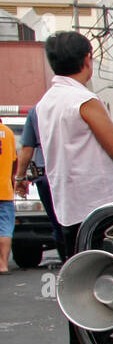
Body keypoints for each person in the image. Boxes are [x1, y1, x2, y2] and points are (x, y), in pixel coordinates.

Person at [34, 31, 113, 344]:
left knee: (75, 272)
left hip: (64, 198)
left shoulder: (45, 102)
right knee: (101, 270)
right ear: (87, 59)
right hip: (96, 200)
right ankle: (100, 343)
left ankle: (81, 342)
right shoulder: (84, 101)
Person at [15, 109, 66, 261]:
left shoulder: (37, 110)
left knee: (58, 225)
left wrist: (20, 178)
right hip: (73, 174)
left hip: (45, 176)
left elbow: (27, 148)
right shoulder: (80, 103)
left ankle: (68, 261)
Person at [0, 122, 14, 273]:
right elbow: (13, 160)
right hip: (4, 189)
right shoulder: (8, 132)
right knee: (5, 229)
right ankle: (3, 264)